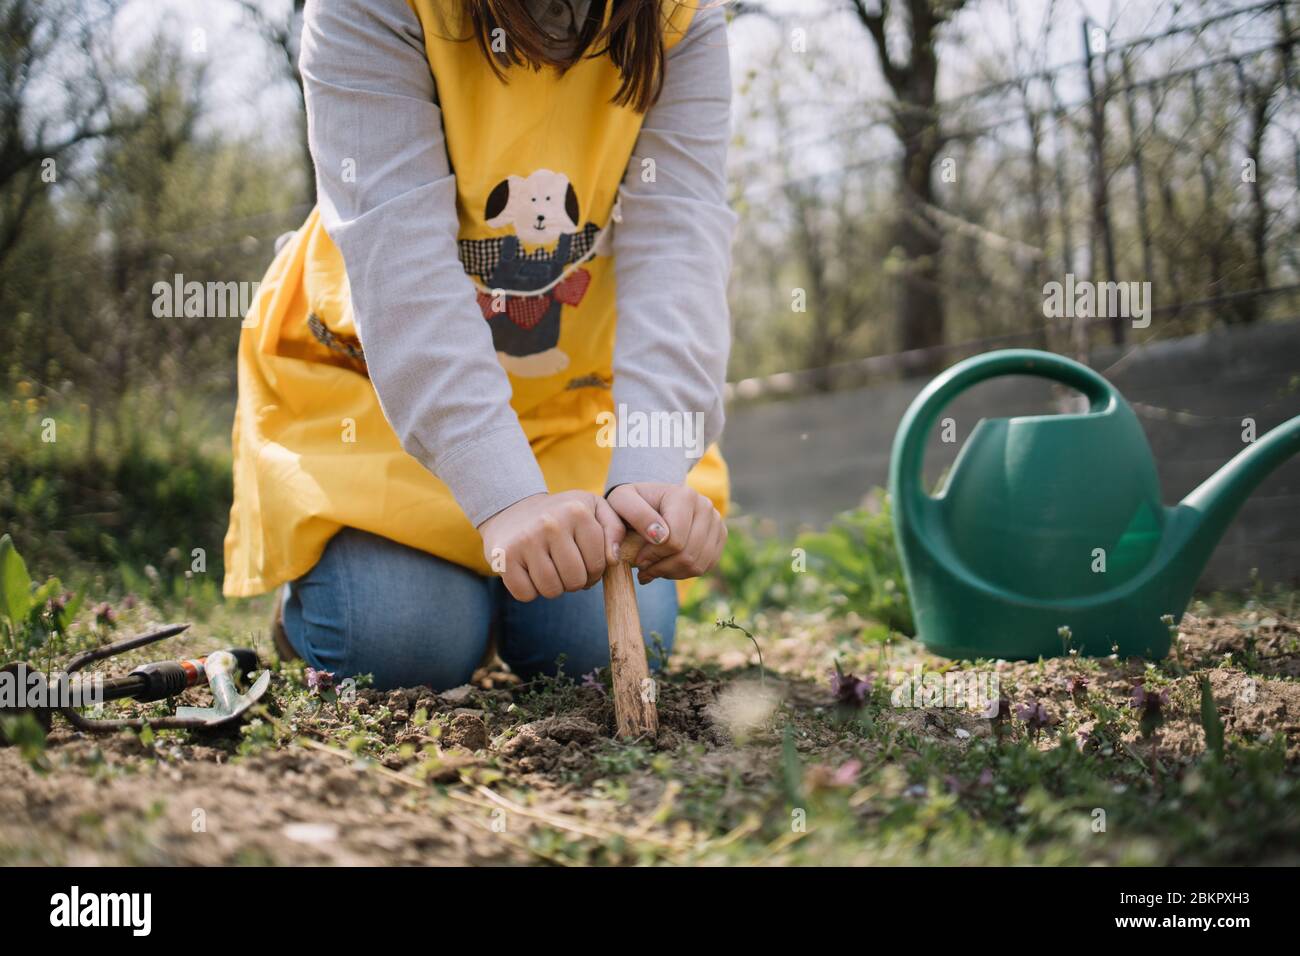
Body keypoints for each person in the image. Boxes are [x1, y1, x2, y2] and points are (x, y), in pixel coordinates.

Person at [223, 0, 736, 690]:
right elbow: (402, 263)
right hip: (378, 403)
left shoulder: (684, 18)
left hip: (567, 409)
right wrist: (503, 497)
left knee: (594, 649)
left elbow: (680, 250)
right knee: (401, 646)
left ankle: (489, 600)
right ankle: (337, 599)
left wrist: (649, 471)